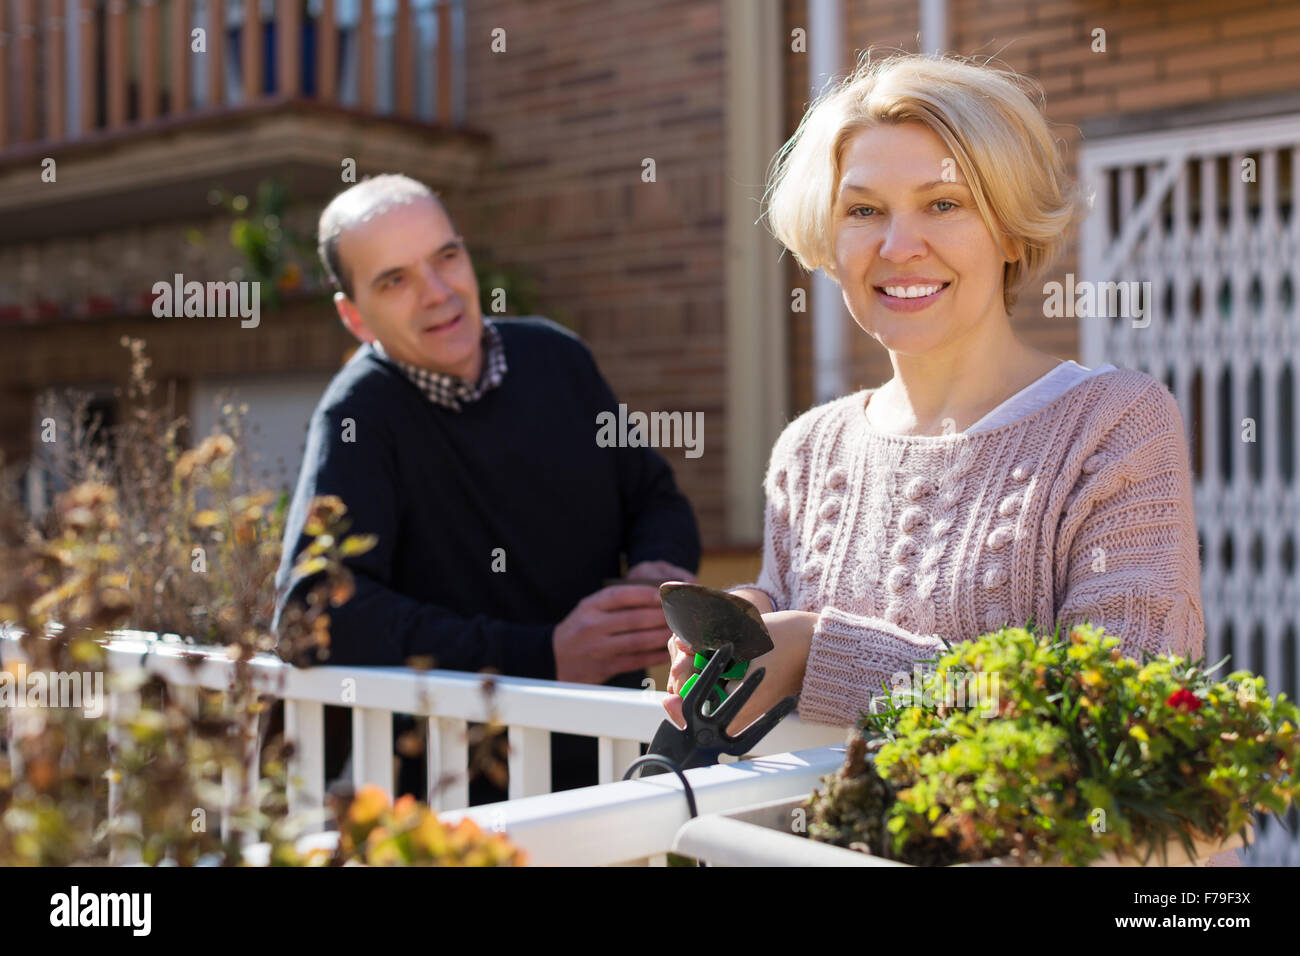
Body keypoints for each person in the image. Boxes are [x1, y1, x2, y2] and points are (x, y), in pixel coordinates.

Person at [663, 53, 1240, 866]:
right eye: (863, 210)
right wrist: (749, 622)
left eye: (944, 203)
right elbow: (793, 619)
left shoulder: (1113, 423)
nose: (901, 245)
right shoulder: (810, 448)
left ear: (1007, 227)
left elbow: (1117, 722)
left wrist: (817, 649)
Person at [273, 173, 700, 805]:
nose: (438, 293)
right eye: (395, 280)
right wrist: (543, 654)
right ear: (354, 316)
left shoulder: (558, 360)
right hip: (452, 793)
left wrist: (654, 574)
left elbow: (656, 498)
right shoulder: (359, 414)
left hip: (616, 766)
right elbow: (314, 614)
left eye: (446, 257)